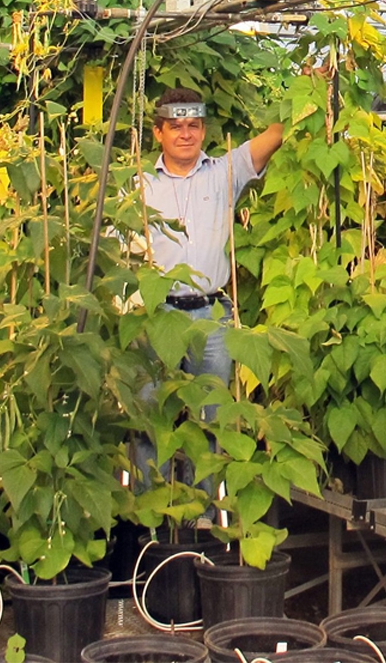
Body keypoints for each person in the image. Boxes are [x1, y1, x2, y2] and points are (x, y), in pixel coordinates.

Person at [135, 87, 284, 488]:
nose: (186, 134)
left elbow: (276, 134)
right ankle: (154, 519)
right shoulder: (138, 185)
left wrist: (312, 83)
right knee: (153, 416)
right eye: (176, 126)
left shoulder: (224, 172)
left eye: (194, 126)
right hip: (156, 315)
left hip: (212, 314)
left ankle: (204, 513)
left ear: (204, 131)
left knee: (214, 417)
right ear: (158, 133)